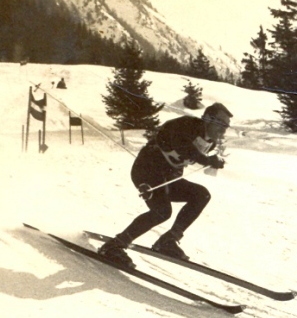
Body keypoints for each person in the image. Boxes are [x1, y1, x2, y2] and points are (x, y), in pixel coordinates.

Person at [97, 102, 232, 267]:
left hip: (168, 177)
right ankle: (114, 245)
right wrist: (206, 160)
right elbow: (182, 146)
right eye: (220, 124)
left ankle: (169, 240)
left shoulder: (210, 142)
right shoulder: (188, 124)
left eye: (226, 126)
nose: (223, 130)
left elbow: (189, 156)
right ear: (207, 118)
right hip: (147, 170)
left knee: (201, 194)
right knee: (162, 211)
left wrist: (212, 163)